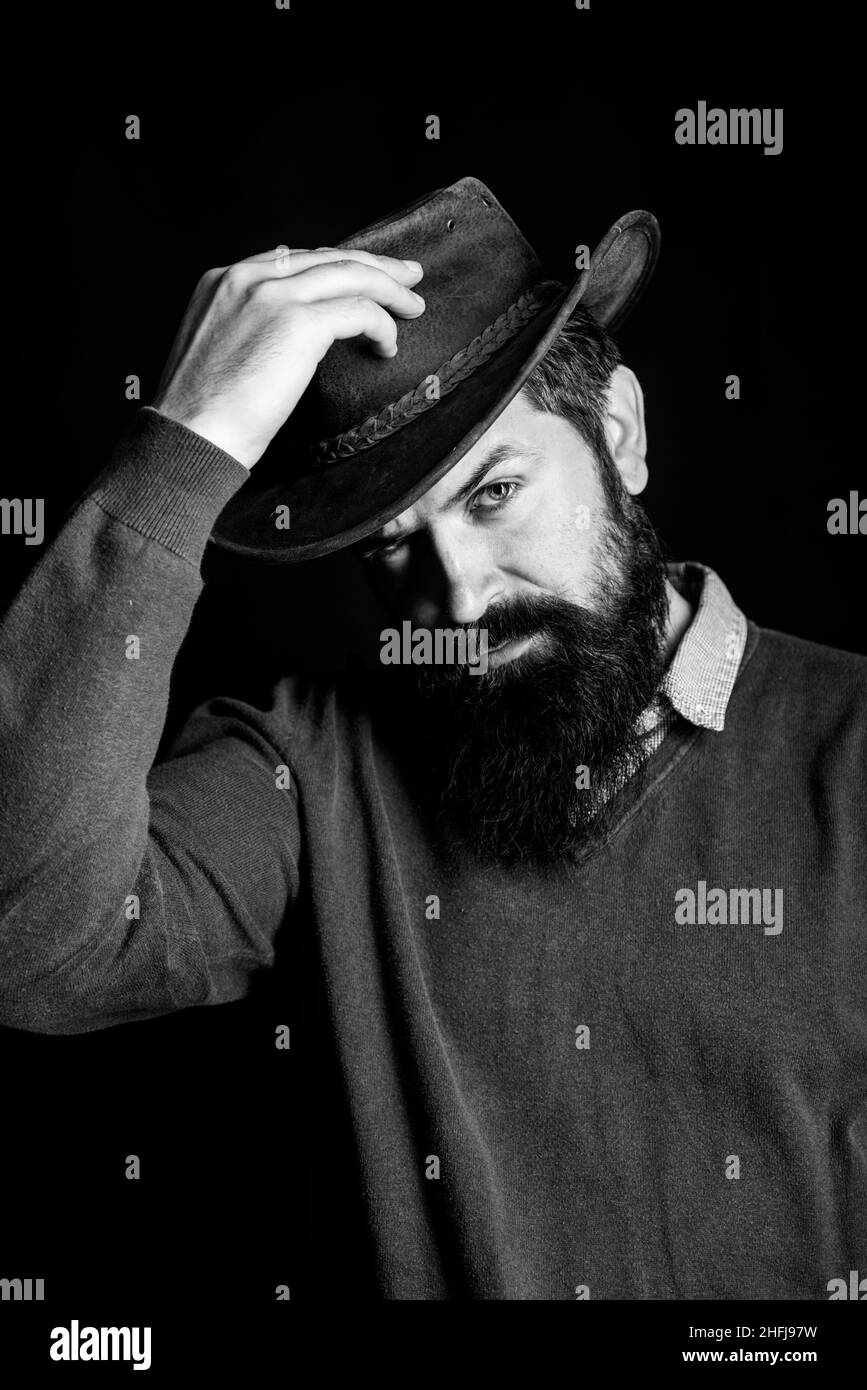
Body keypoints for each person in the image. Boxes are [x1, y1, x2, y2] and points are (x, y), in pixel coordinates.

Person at [1, 177, 864, 1300]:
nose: (455, 600)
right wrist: (181, 451)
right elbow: (31, 941)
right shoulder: (308, 771)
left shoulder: (849, 748)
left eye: (496, 491)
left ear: (620, 435)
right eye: (392, 550)